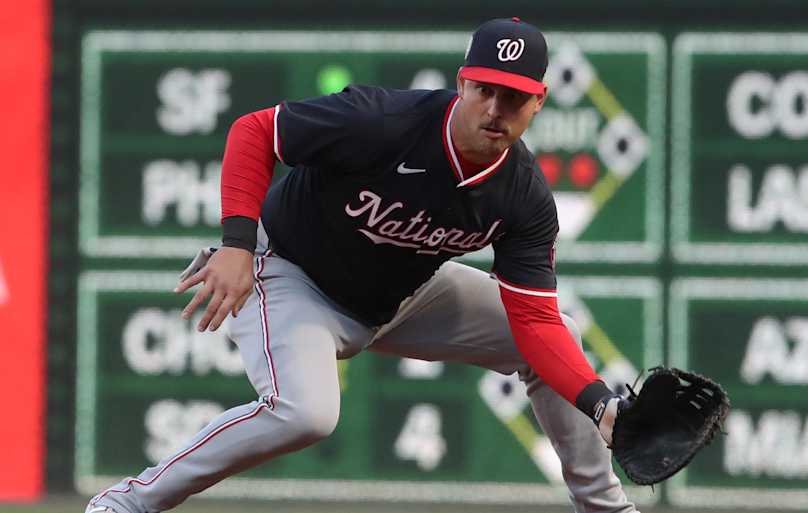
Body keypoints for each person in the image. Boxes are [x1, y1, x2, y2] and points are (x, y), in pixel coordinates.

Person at [86, 17, 639, 513]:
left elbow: (534, 321)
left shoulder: (523, 199)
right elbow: (255, 131)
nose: (495, 109)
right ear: (462, 83)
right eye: (484, 90)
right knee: (307, 413)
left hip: (402, 292)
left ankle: (604, 510)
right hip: (291, 273)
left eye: (513, 97)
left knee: (557, 335)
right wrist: (236, 243)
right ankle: (126, 504)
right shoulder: (384, 121)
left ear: (539, 101)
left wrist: (598, 406)